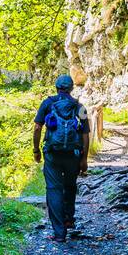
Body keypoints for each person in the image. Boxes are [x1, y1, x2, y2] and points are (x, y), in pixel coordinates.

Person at [33, 75, 91, 242]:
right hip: (73, 154)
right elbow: (86, 133)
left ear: (56, 87)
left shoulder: (47, 103)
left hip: (52, 153)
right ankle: (68, 218)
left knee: (54, 189)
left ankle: (59, 232)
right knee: (70, 187)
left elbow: (37, 128)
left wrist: (36, 150)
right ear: (71, 88)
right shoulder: (79, 107)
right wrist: (84, 158)